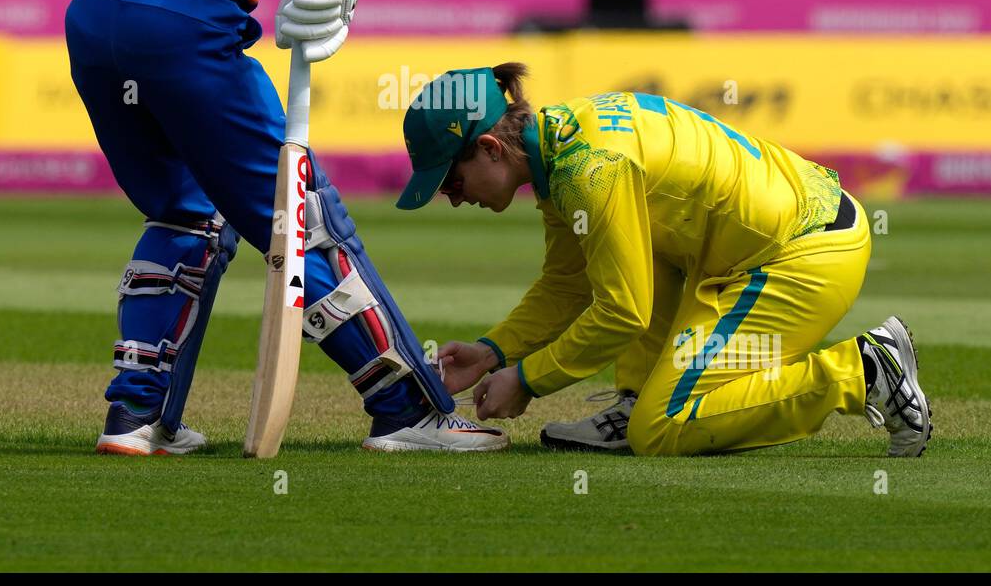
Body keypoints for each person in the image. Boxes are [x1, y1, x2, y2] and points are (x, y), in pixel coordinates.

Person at [64, 0, 505, 455]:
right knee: (302, 216)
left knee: (186, 214)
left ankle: (138, 418)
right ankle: (409, 410)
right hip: (183, 26)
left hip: (99, 6)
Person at [396, 63, 932, 458]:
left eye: (451, 180)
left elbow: (621, 313)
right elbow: (567, 284)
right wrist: (492, 352)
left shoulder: (590, 170)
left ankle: (861, 372)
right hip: (775, 243)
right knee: (634, 252)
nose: (454, 196)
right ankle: (636, 400)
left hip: (800, 254)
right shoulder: (559, 149)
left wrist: (529, 379)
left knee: (665, 426)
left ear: (491, 148)